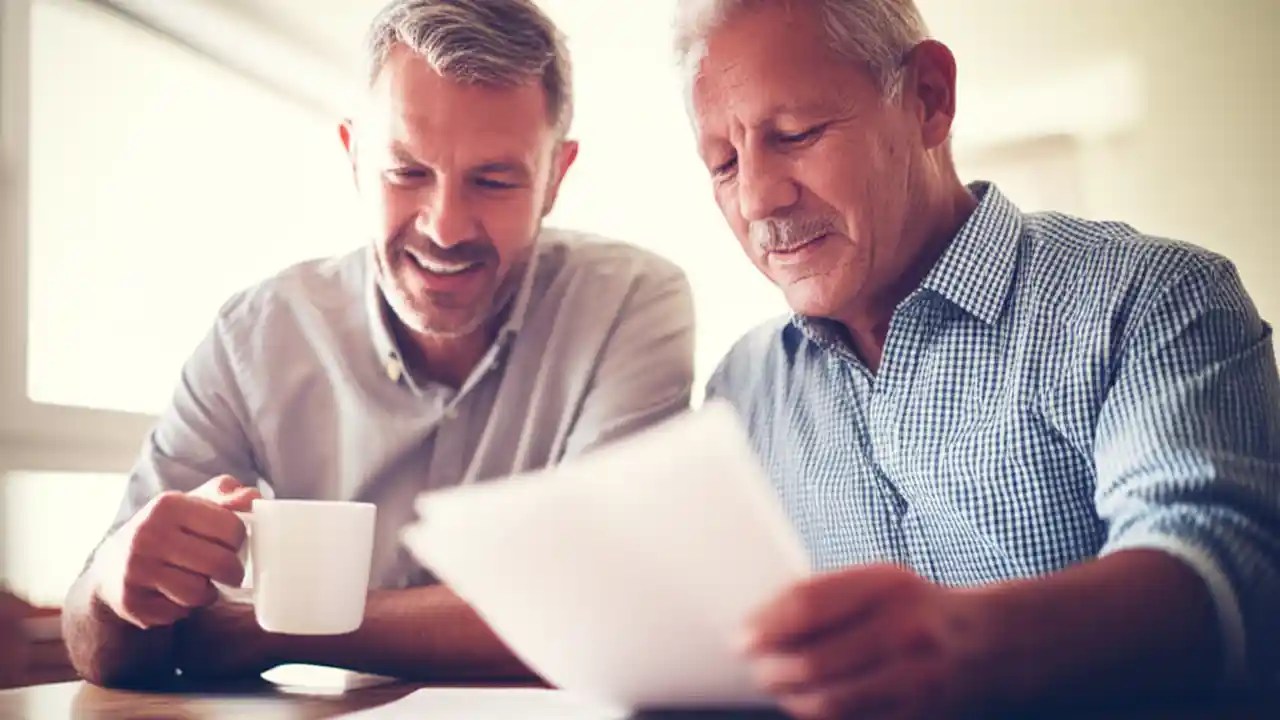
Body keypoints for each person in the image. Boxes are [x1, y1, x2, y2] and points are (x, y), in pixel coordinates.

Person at [676, 0, 1280, 717]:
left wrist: (974, 641)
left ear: (929, 98)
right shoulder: (739, 393)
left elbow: (1226, 573)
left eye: (797, 134)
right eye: (723, 164)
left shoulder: (1152, 300)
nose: (756, 199)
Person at [64, 0, 694, 687]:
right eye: (406, 172)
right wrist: (113, 584)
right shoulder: (256, 336)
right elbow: (96, 641)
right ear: (354, 157)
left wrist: (271, 626)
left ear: (555, 178)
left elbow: (607, 608)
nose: (446, 228)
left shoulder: (630, 303)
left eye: (493, 181)